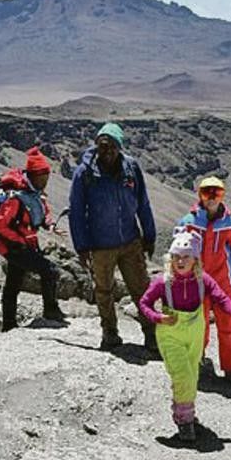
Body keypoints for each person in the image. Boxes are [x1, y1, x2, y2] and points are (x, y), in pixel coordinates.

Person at [139, 229, 231, 442]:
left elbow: (221, 299)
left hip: (195, 331)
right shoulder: (162, 281)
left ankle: (185, 411)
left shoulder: (204, 280)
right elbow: (144, 303)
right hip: (170, 333)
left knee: (192, 377)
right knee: (182, 375)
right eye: (176, 257)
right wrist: (157, 317)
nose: (180, 262)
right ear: (170, 258)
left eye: (185, 257)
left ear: (195, 259)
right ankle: (184, 422)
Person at [69, 123, 158, 353]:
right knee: (104, 290)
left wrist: (150, 235)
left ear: (119, 147)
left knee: (141, 289)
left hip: (130, 241)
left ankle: (152, 334)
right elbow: (77, 211)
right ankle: (109, 333)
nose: (107, 152)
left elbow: (143, 203)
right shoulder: (85, 173)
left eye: (111, 147)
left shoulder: (131, 168)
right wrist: (81, 246)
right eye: (102, 147)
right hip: (100, 244)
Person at [178, 176, 231, 384]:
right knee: (197, 326)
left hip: (222, 283)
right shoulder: (188, 223)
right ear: (200, 195)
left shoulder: (230, 225)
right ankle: (195, 362)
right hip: (196, 282)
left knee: (228, 325)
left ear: (222, 196)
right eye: (207, 192)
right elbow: (178, 253)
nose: (211, 197)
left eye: (216, 193)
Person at [0, 146, 67, 331]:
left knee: (13, 283)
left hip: (23, 245)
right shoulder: (16, 196)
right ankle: (50, 310)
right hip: (14, 247)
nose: (45, 181)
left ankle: (8, 325)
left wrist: (49, 225)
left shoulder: (33, 192)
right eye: (42, 177)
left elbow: (41, 212)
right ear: (33, 175)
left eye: (47, 177)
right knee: (49, 270)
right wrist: (18, 239)